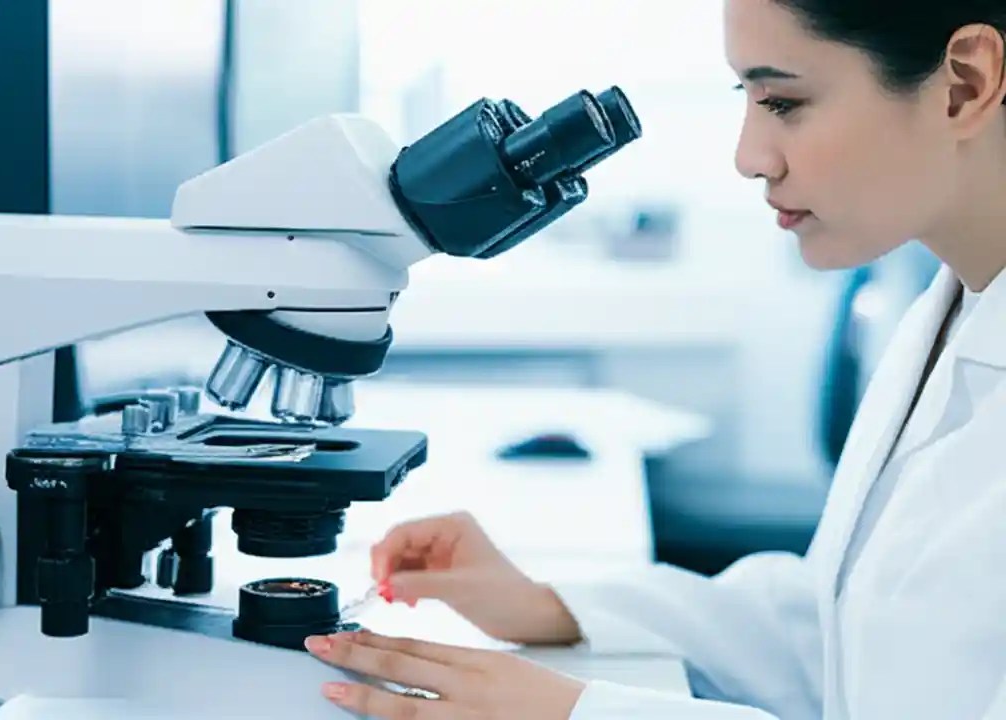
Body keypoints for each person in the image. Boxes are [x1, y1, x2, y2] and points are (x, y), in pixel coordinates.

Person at [304, 0, 1006, 717]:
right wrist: (543, 605)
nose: (749, 158)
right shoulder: (950, 311)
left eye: (783, 102)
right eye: (746, 97)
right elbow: (841, 640)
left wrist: (577, 713)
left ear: (966, 85)